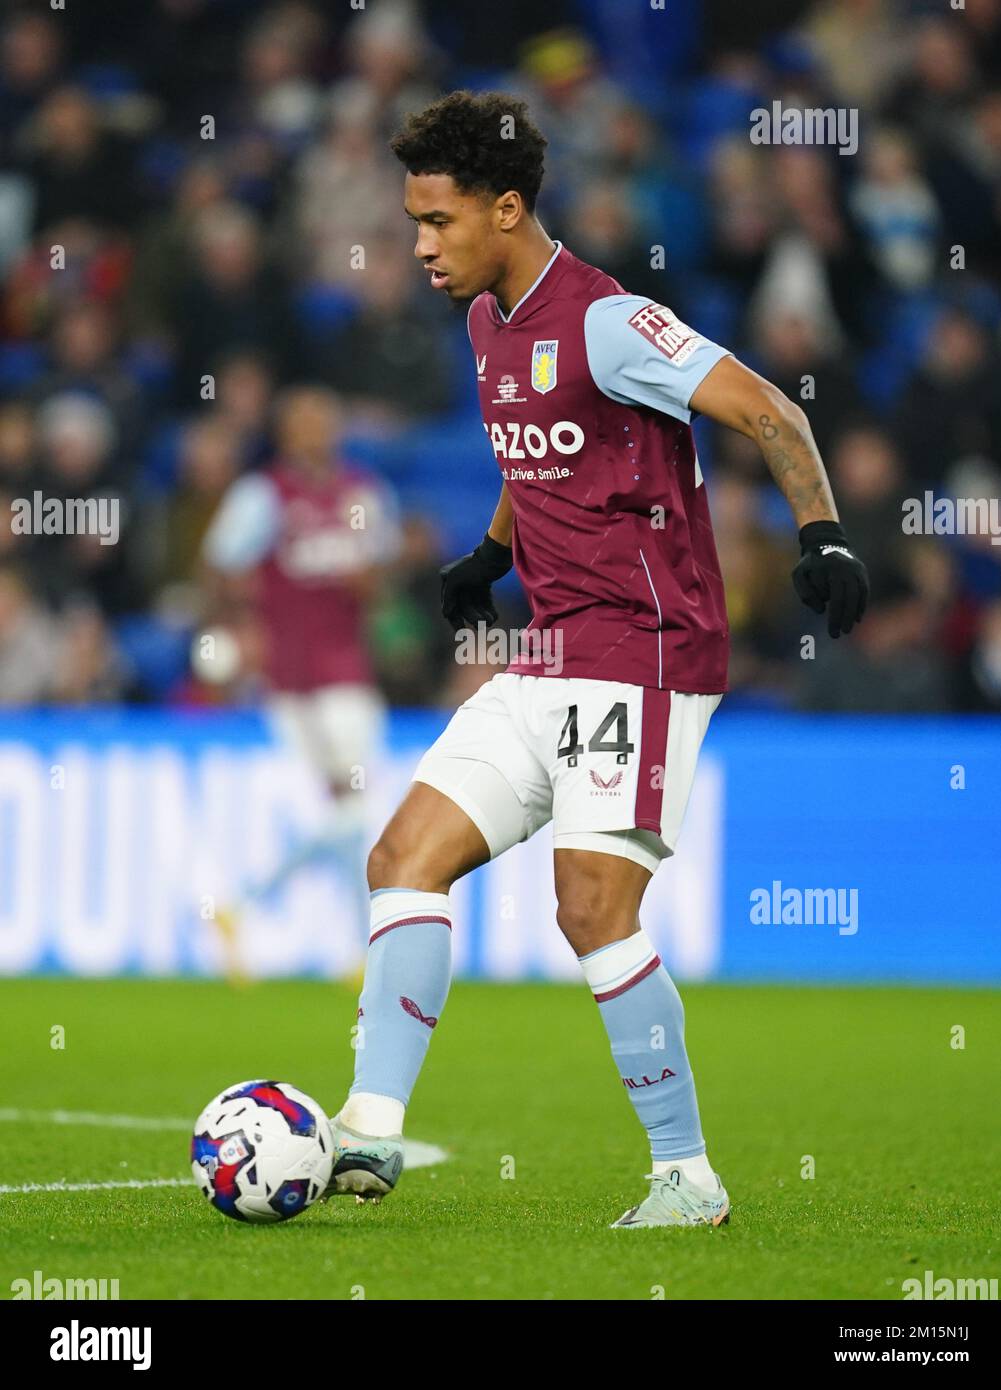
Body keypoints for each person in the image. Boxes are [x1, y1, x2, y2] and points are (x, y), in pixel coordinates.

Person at [326, 91, 869, 1229]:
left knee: (589, 909)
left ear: (506, 207)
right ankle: (369, 1135)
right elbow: (542, 458)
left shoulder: (609, 323)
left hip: (642, 652)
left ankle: (685, 1175)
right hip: (545, 651)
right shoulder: (485, 323)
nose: (419, 244)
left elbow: (771, 411)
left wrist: (820, 534)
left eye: (437, 220)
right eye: (413, 221)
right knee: (401, 856)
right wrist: (485, 555)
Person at [202, 385, 398, 964]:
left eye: (324, 421)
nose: (316, 432)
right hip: (290, 679)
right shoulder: (263, 496)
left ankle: (352, 948)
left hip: (347, 673)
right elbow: (218, 564)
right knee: (355, 810)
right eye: (304, 422)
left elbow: (381, 577)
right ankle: (254, 905)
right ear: (286, 432)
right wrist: (244, 623)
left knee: (352, 810)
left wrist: (370, 581)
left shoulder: (362, 492)